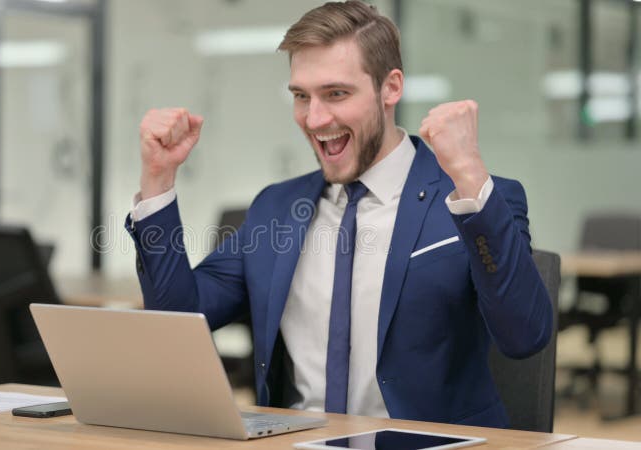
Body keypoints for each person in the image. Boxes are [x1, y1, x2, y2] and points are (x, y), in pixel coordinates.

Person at [125, 0, 552, 428]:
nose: (314, 118)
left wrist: (471, 176)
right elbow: (176, 325)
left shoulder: (469, 198)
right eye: (300, 96)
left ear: (391, 88)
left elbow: (524, 336)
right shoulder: (276, 209)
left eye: (336, 94)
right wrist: (158, 180)